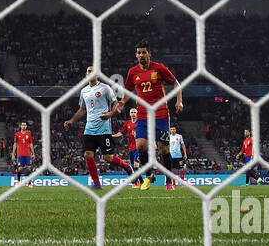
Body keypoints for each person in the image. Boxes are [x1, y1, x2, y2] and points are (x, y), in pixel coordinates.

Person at [64, 66, 134, 190]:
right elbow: (82, 109)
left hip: (103, 128)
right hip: (89, 128)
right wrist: (72, 120)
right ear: (86, 75)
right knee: (88, 154)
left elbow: (115, 103)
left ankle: (127, 166)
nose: (91, 73)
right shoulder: (84, 91)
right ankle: (96, 184)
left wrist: (110, 114)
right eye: (89, 71)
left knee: (108, 158)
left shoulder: (105, 88)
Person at [126, 42, 183, 190]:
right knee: (140, 146)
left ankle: (169, 181)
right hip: (143, 114)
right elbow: (127, 90)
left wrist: (179, 101)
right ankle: (148, 177)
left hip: (160, 113)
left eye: (144, 52)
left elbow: (176, 83)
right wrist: (121, 102)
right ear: (136, 55)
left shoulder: (159, 68)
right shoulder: (133, 72)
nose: (141, 55)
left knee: (163, 149)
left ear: (149, 54)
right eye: (139, 53)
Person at [13, 120, 34, 185]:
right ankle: (18, 181)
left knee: (29, 168)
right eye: (22, 125)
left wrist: (33, 153)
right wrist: (13, 154)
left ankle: (29, 183)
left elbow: (31, 144)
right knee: (20, 168)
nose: (23, 126)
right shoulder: (17, 134)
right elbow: (15, 144)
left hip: (28, 154)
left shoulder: (29, 134)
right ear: (20, 126)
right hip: (20, 154)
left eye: (25, 125)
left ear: (26, 126)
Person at [165, 126, 186, 190]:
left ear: (176, 130)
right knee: (172, 170)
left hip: (179, 155)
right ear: (170, 130)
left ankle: (182, 183)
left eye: (174, 129)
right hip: (171, 155)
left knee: (181, 169)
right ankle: (174, 184)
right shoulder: (168, 136)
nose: (173, 130)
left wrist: (185, 154)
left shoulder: (179, 136)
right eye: (171, 129)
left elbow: (183, 145)